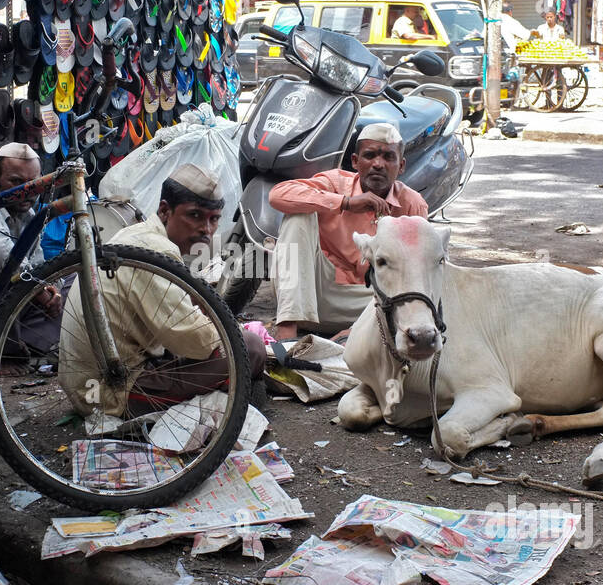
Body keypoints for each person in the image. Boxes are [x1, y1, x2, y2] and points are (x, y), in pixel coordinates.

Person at [58, 164, 266, 415]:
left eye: (213, 219)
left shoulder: (139, 235)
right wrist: (228, 331)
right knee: (250, 348)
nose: (206, 230)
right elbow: (195, 341)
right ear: (165, 210)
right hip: (111, 392)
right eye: (195, 216)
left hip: (88, 386)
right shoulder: (158, 250)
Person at [269, 123, 427, 340]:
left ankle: (357, 333)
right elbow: (278, 195)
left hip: (371, 306)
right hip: (313, 299)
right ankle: (287, 329)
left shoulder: (411, 204)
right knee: (298, 213)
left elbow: (420, 273)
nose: (378, 164)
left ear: (401, 166)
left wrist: (357, 329)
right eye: (369, 155)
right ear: (355, 161)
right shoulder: (335, 183)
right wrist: (345, 202)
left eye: (388, 157)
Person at [0, 144, 65, 353]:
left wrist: (51, 288)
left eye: (33, 183)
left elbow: (38, 263)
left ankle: (26, 343)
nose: (27, 192)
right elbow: (1, 254)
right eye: (16, 182)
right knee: (2, 267)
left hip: (3, 307)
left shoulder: (29, 217)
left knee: (70, 274)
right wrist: (40, 291)